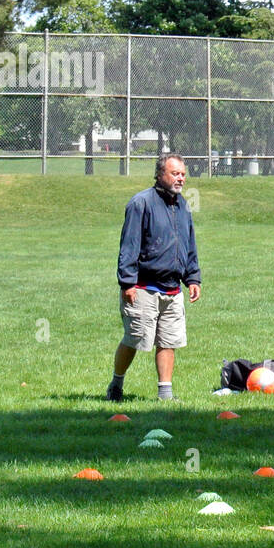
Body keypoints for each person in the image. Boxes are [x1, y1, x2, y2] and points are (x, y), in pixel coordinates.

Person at [106, 153, 201, 402]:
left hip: (172, 289)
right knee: (135, 339)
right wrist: (127, 283)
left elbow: (189, 244)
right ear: (160, 174)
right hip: (142, 287)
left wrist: (192, 278)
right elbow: (129, 245)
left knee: (168, 341)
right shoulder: (141, 203)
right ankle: (116, 385)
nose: (180, 178)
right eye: (175, 173)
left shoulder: (183, 205)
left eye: (182, 174)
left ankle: (165, 394)